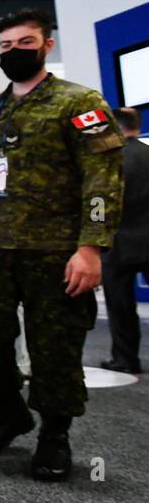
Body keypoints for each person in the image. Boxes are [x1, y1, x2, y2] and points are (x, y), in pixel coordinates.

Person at [0, 9, 124, 481]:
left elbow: (102, 179)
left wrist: (92, 247)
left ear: (47, 46)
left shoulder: (78, 102)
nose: (14, 52)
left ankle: (53, 435)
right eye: (5, 46)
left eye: (25, 42)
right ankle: (11, 410)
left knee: (54, 349)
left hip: (55, 251)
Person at [98, 107, 149, 373]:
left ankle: (126, 359)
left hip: (117, 245)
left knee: (120, 308)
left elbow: (99, 204)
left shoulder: (109, 161)